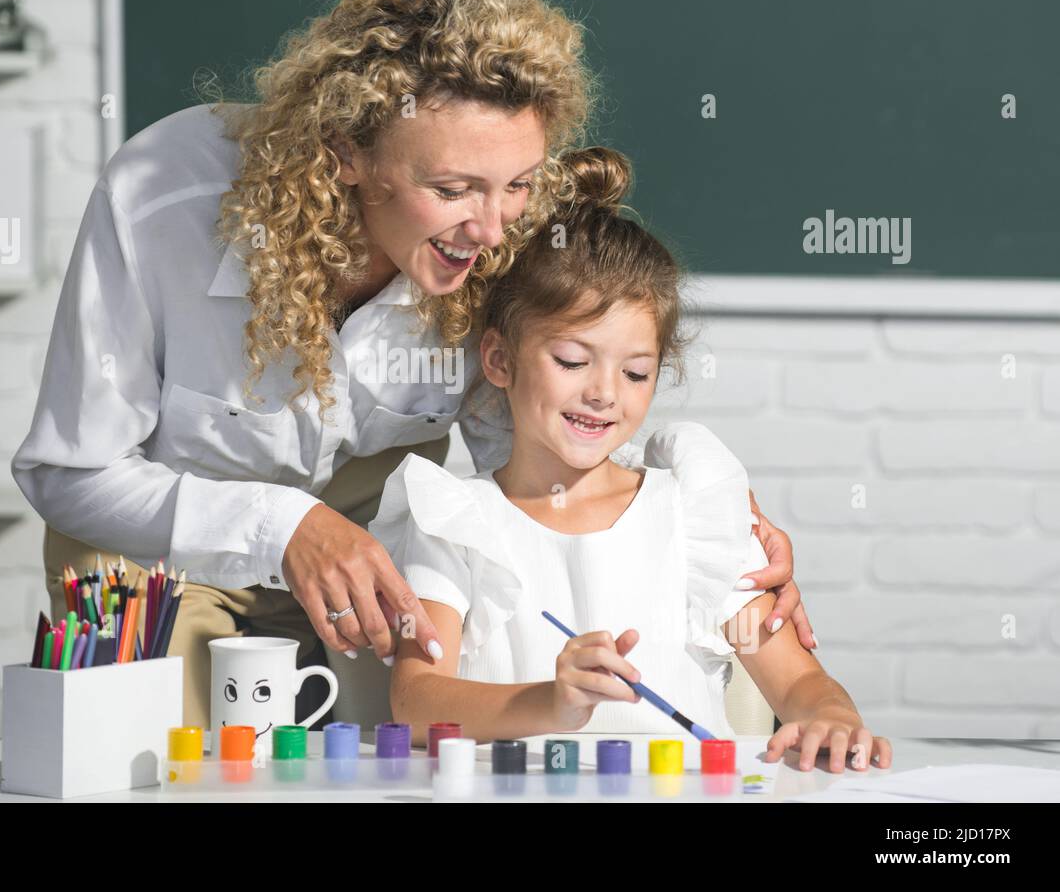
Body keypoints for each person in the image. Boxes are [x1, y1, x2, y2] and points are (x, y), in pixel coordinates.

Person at [11, 0, 812, 731]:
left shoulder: (511, 235)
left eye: (519, 184)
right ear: (346, 152)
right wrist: (284, 527)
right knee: (167, 774)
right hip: (158, 557)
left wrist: (715, 528)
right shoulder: (161, 202)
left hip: (372, 555)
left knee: (388, 764)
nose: (494, 229)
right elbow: (69, 472)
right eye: (452, 190)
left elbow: (545, 445)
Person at [374, 147, 890, 773]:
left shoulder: (695, 513)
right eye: (571, 361)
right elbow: (416, 700)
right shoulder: (453, 518)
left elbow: (801, 684)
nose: (604, 393)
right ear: (500, 360)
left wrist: (832, 716)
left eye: (637, 372)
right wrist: (552, 703)